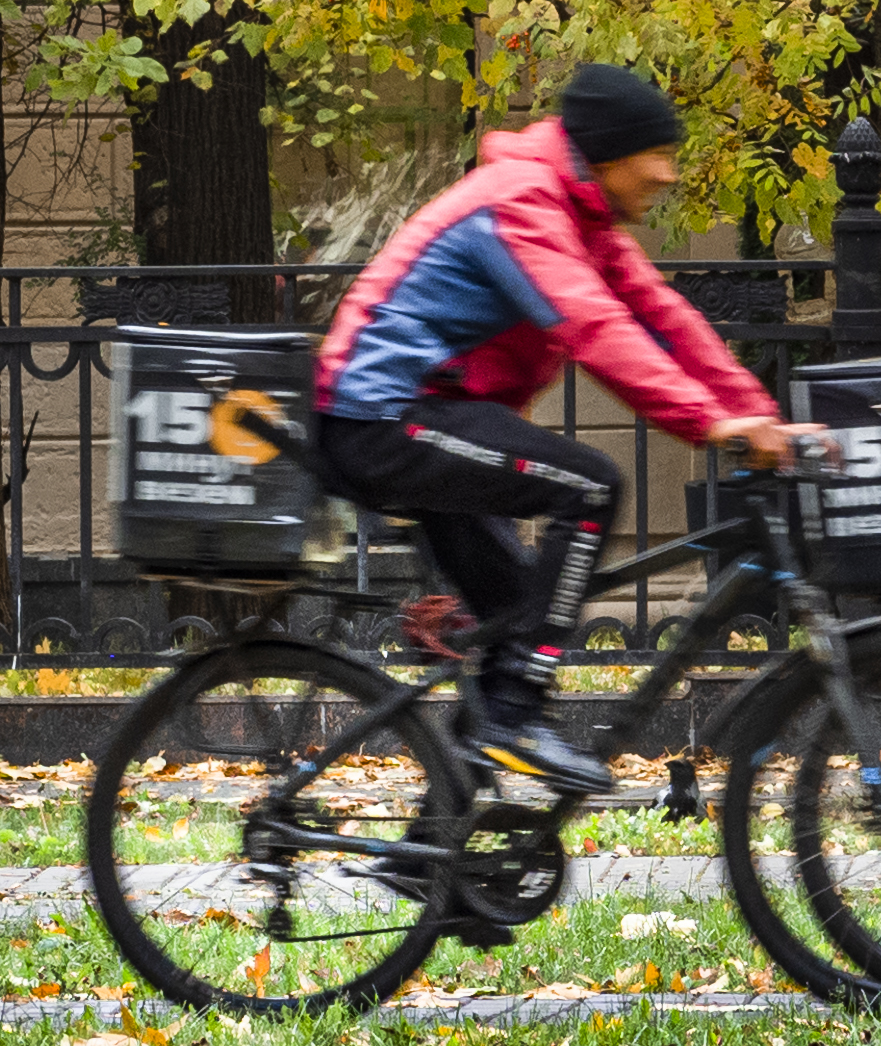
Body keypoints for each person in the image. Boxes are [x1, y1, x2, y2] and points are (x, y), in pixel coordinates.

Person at [311, 65, 794, 797]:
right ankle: (512, 719)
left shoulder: (585, 219)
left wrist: (759, 415)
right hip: (381, 413)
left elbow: (666, 319)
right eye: (656, 154)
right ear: (606, 153)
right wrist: (710, 422)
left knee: (513, 613)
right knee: (590, 483)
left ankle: (438, 860)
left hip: (433, 414)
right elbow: (595, 327)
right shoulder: (520, 202)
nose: (668, 172)